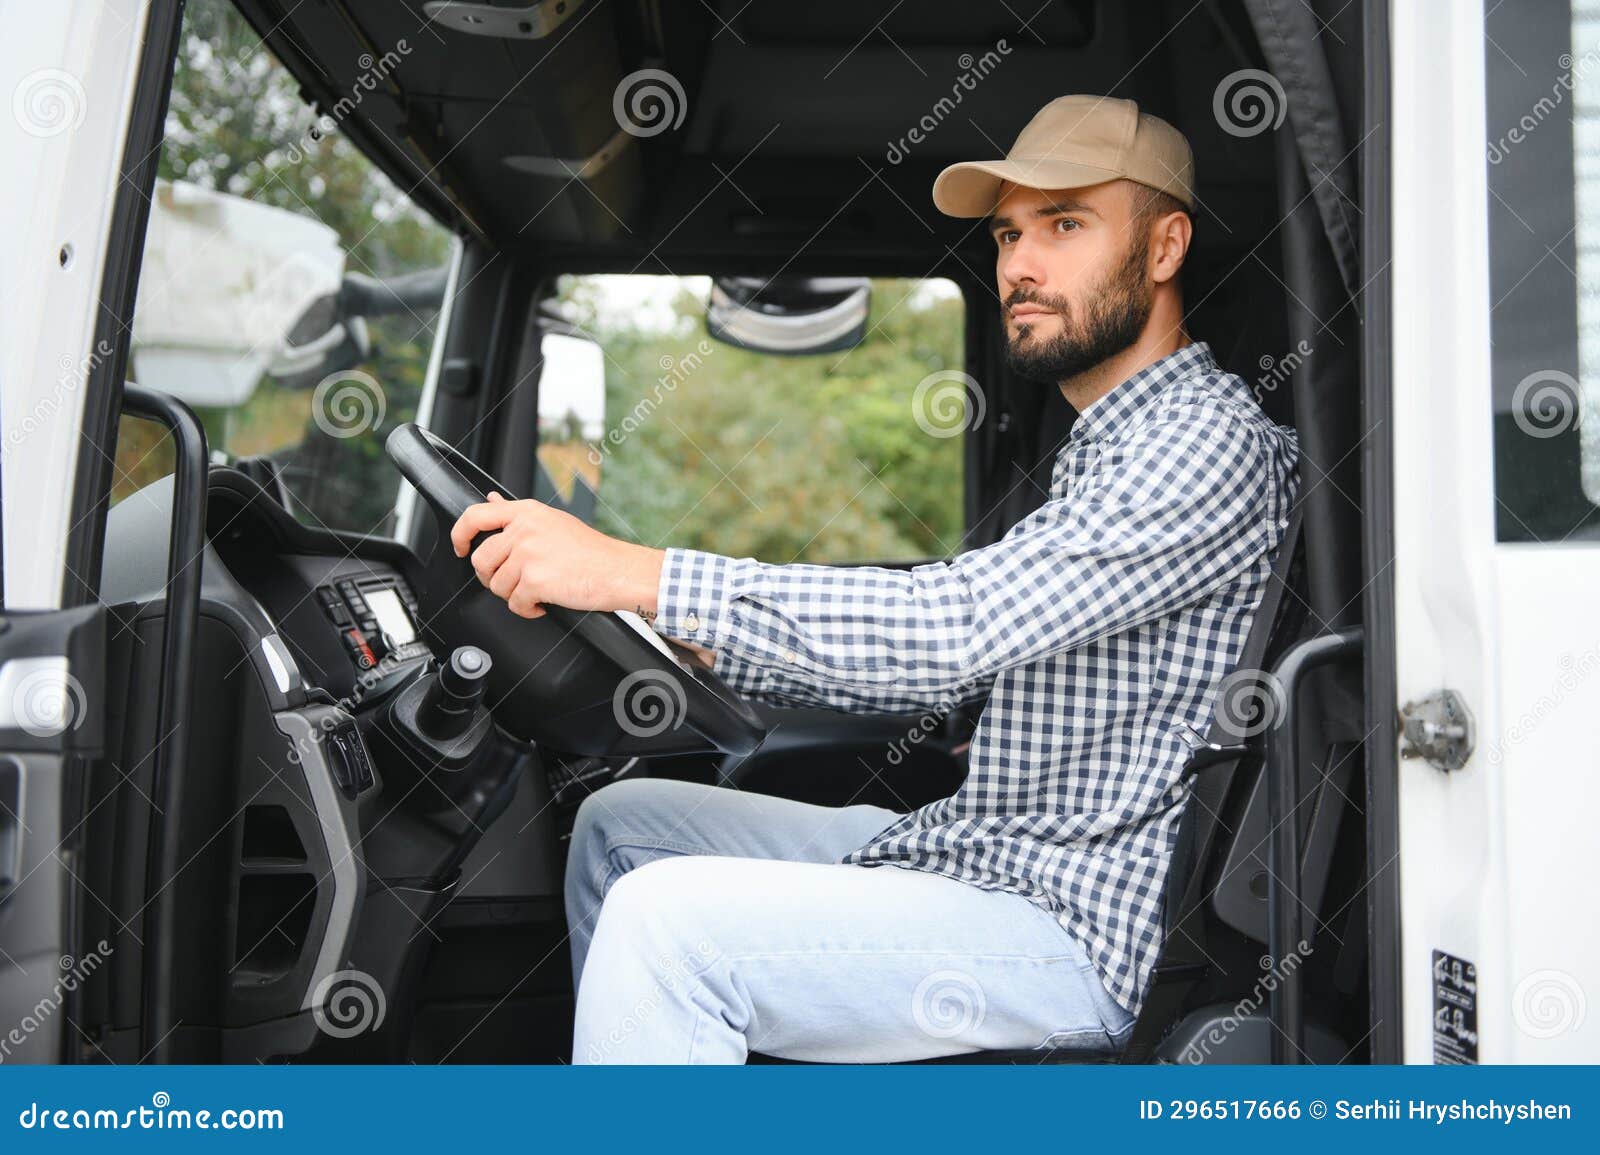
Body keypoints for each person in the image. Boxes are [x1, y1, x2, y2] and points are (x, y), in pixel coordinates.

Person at [449, 94, 1300, 1064]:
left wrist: (637, 573)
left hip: (1072, 927)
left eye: (1065, 225)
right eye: (1008, 233)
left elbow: (956, 627)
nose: (1019, 264)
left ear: (1162, 247)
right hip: (988, 850)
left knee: (665, 926)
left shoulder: (1198, 443)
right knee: (621, 827)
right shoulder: (1113, 445)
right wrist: (697, 644)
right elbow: (967, 654)